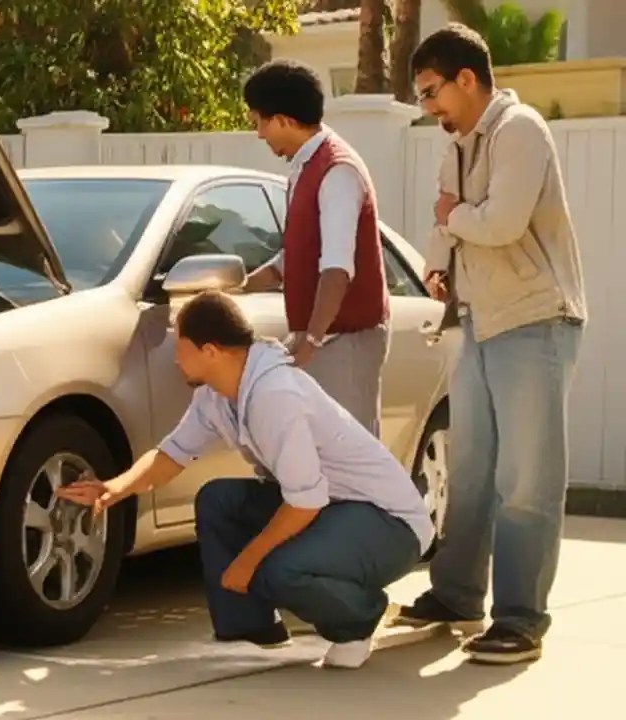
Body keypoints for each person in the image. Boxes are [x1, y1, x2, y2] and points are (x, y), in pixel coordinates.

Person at [58, 290, 432, 670]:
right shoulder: (216, 394)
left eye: (181, 347)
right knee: (218, 500)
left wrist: (248, 561)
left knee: (280, 570)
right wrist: (112, 489)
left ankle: (359, 618)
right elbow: (171, 454)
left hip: (388, 524)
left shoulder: (276, 395)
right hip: (332, 508)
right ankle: (251, 626)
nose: (175, 359)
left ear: (211, 351)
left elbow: (306, 502)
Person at [389, 23, 586, 666]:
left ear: (466, 79)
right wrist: (443, 253)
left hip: (535, 319)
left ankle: (521, 619)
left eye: (431, 92)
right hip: (478, 318)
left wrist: (452, 219)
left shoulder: (520, 129)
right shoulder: (460, 141)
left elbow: (498, 223)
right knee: (469, 469)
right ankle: (457, 595)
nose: (428, 108)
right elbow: (444, 223)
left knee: (526, 479)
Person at [239, 59, 390, 436]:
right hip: (328, 339)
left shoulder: (337, 171)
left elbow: (337, 268)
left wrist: (312, 339)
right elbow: (297, 256)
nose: (259, 134)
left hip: (346, 341)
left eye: (259, 121)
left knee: (352, 456)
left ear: (284, 120)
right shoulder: (306, 167)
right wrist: (238, 287)